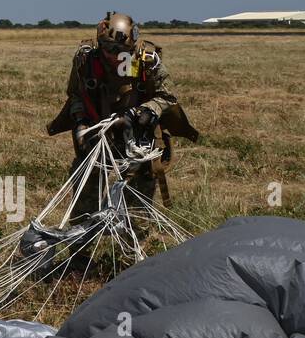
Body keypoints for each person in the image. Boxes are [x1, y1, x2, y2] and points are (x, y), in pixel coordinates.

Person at [46, 12, 197, 215]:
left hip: (138, 138)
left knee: (137, 207)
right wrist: (80, 120)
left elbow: (168, 97)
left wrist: (148, 111)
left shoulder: (147, 61)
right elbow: (76, 95)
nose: (114, 55)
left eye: (121, 50)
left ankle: (133, 241)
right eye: (109, 49)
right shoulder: (86, 60)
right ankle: (83, 239)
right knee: (85, 196)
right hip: (98, 134)